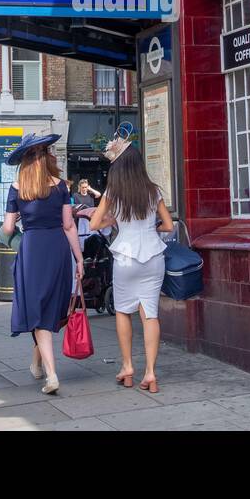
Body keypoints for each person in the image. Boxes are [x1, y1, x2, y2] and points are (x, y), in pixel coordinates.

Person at [1, 133, 82, 395]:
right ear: (45, 158)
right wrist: (79, 259)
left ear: (25, 161)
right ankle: (37, 362)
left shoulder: (16, 189)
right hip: (58, 248)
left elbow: (8, 227)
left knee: (37, 308)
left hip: (32, 250)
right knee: (47, 309)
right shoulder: (61, 186)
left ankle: (52, 374)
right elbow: (69, 225)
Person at [89, 143, 172, 394]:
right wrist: (151, 229)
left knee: (124, 312)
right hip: (153, 256)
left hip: (125, 256)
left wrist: (112, 220)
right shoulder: (153, 191)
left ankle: (127, 368)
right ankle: (151, 373)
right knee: (150, 314)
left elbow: (93, 224)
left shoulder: (113, 192)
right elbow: (168, 226)